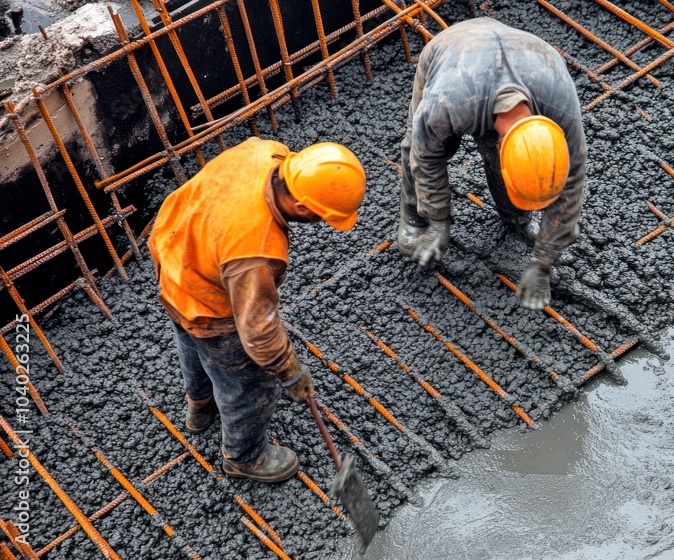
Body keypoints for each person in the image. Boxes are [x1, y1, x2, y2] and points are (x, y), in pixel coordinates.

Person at [149, 138, 366, 482]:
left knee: (193, 342)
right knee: (249, 381)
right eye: (322, 215)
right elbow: (258, 329)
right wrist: (289, 372)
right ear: (303, 206)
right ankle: (243, 457)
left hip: (176, 257)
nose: (322, 222)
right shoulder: (256, 248)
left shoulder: (267, 152)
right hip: (208, 295)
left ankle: (200, 407)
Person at [395, 17, 586, 311]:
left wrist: (543, 260)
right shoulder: (447, 103)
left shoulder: (560, 103)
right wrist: (437, 219)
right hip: (452, 53)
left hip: (529, 56)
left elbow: (571, 181)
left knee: (523, 174)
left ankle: (516, 216)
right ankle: (412, 220)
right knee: (418, 144)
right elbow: (425, 157)